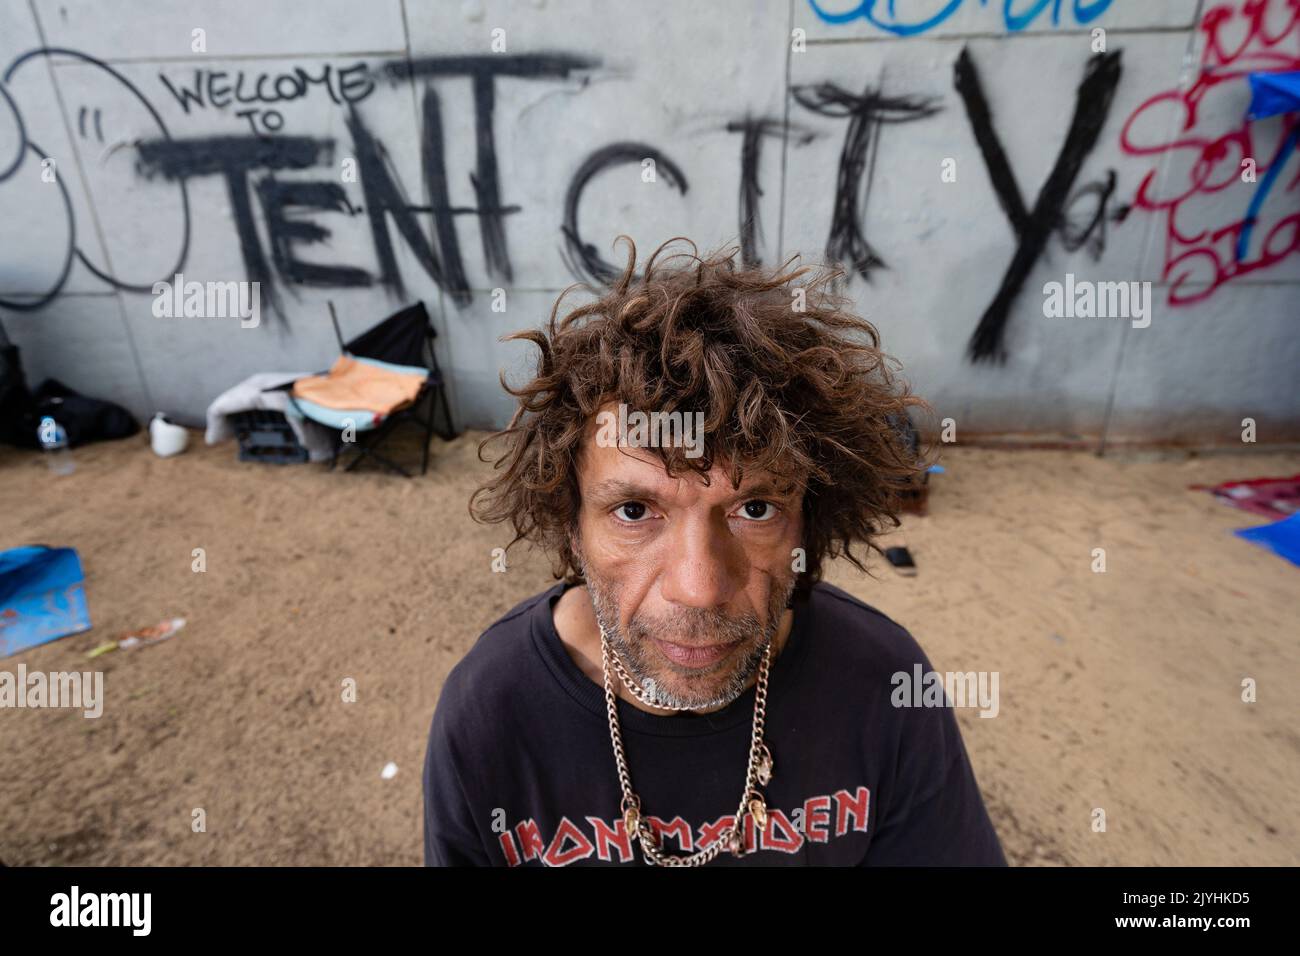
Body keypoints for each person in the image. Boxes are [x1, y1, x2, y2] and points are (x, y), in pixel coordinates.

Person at [423, 237, 1007, 866]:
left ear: (808, 523)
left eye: (754, 510)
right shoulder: (490, 712)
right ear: (571, 526)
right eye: (635, 512)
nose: (700, 588)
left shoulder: (884, 686)